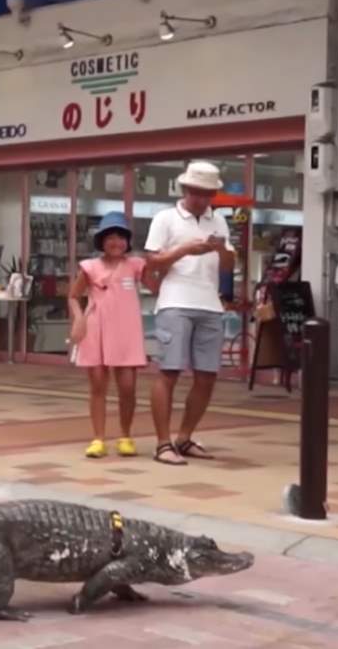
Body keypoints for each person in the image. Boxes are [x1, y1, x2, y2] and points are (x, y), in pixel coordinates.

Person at [143, 161, 237, 465]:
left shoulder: (219, 221)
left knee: (207, 375)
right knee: (169, 371)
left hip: (210, 303)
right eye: (196, 192)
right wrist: (186, 249)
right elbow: (152, 261)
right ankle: (162, 443)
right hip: (175, 301)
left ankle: (184, 437)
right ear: (185, 189)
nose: (201, 199)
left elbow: (226, 267)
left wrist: (221, 251)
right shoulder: (165, 218)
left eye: (207, 194)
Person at [68, 211, 159, 459]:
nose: (116, 242)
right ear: (101, 241)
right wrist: (78, 320)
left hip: (126, 330)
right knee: (98, 384)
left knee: (128, 387)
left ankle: (125, 436)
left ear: (128, 240)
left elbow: (155, 286)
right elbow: (73, 296)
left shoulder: (137, 265)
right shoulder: (89, 267)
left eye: (121, 236)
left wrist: (161, 262)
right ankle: (98, 439)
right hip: (95, 327)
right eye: (110, 237)